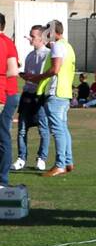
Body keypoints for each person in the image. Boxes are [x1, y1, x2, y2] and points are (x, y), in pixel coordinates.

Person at [36, 19, 76, 177]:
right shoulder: (68, 46)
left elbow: (55, 69)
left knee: (58, 130)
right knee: (63, 128)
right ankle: (68, 161)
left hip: (56, 93)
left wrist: (35, 77)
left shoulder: (58, 46)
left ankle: (60, 164)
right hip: (65, 93)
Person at [12, 24, 51, 172]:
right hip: (27, 94)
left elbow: (45, 77)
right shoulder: (29, 55)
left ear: (41, 38)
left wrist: (31, 77)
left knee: (43, 129)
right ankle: (21, 158)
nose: (30, 38)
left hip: (39, 95)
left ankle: (41, 158)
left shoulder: (47, 55)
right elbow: (29, 76)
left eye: (33, 36)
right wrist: (23, 75)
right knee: (22, 129)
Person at [0, 14, 19, 186]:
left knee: (3, 135)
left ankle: (3, 179)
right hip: (9, 94)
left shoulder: (5, 43)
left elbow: (13, 71)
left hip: (7, 93)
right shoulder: (8, 43)